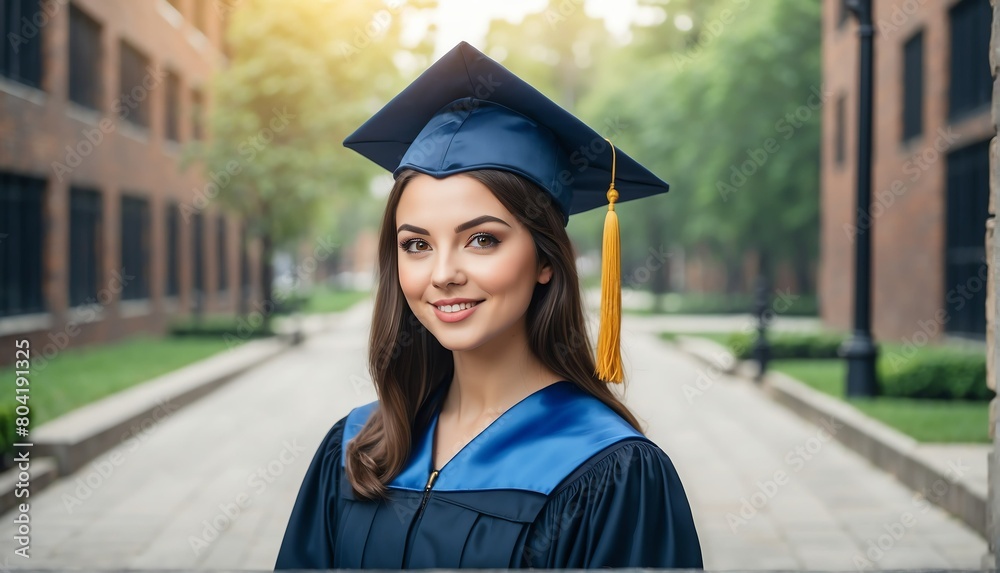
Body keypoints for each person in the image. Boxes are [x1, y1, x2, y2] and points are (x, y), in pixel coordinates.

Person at [273, 41, 702, 569]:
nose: (444, 273)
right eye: (417, 244)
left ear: (545, 259)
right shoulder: (356, 447)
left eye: (482, 240)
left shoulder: (608, 470)